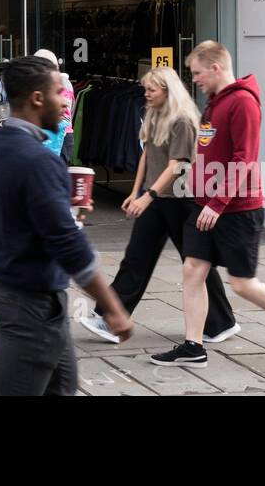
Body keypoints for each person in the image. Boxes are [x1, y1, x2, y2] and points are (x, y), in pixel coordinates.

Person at [0, 55, 133, 395]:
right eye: (60, 93)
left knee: (62, 388)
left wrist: (64, 214)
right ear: (37, 99)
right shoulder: (39, 161)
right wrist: (113, 306)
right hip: (30, 301)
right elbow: (68, 245)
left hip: (8, 288)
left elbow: (0, 219)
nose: (66, 102)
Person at [152, 41, 265, 368]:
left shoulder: (243, 102)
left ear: (216, 68)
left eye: (198, 73)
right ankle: (193, 346)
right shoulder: (215, 103)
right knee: (192, 270)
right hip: (206, 205)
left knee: (243, 284)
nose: (195, 80)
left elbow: (244, 159)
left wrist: (216, 203)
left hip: (236, 210)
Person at [79, 66, 240, 346]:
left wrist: (147, 196)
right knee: (137, 259)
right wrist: (135, 190)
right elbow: (146, 154)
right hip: (158, 198)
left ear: (167, 91)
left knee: (196, 265)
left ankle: (221, 322)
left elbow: (177, 165)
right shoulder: (154, 115)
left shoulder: (182, 121)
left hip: (182, 201)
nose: (146, 94)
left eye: (151, 90)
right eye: (145, 90)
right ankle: (110, 317)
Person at [32, 49, 74, 161]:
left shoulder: (58, 82)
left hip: (59, 135)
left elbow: (62, 112)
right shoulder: (63, 82)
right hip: (61, 134)